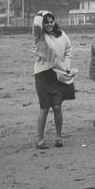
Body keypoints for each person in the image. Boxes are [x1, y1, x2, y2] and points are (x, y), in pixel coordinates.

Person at [32, 10, 74, 149]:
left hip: (57, 73)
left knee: (57, 106)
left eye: (51, 21)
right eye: (46, 22)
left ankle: (58, 137)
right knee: (44, 107)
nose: (49, 24)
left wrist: (67, 66)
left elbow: (68, 50)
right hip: (42, 74)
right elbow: (36, 26)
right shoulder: (39, 35)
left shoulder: (61, 35)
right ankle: (40, 140)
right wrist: (40, 15)